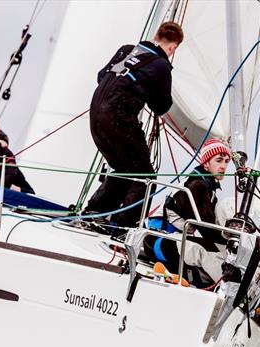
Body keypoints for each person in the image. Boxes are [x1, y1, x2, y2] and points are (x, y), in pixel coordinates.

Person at [84, 21, 184, 229]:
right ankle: (123, 225)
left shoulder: (127, 50)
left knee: (125, 166)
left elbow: (101, 76)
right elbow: (161, 106)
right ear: (173, 47)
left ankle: (95, 212)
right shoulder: (162, 66)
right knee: (145, 175)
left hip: (96, 115)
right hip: (118, 116)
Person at [144, 139, 232, 285]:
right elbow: (206, 228)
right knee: (203, 250)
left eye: (226, 161)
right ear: (206, 163)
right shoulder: (197, 186)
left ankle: (217, 282)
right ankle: (231, 290)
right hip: (157, 240)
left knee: (218, 251)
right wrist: (229, 243)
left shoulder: (208, 189)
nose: (223, 166)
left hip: (170, 240)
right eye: (219, 160)